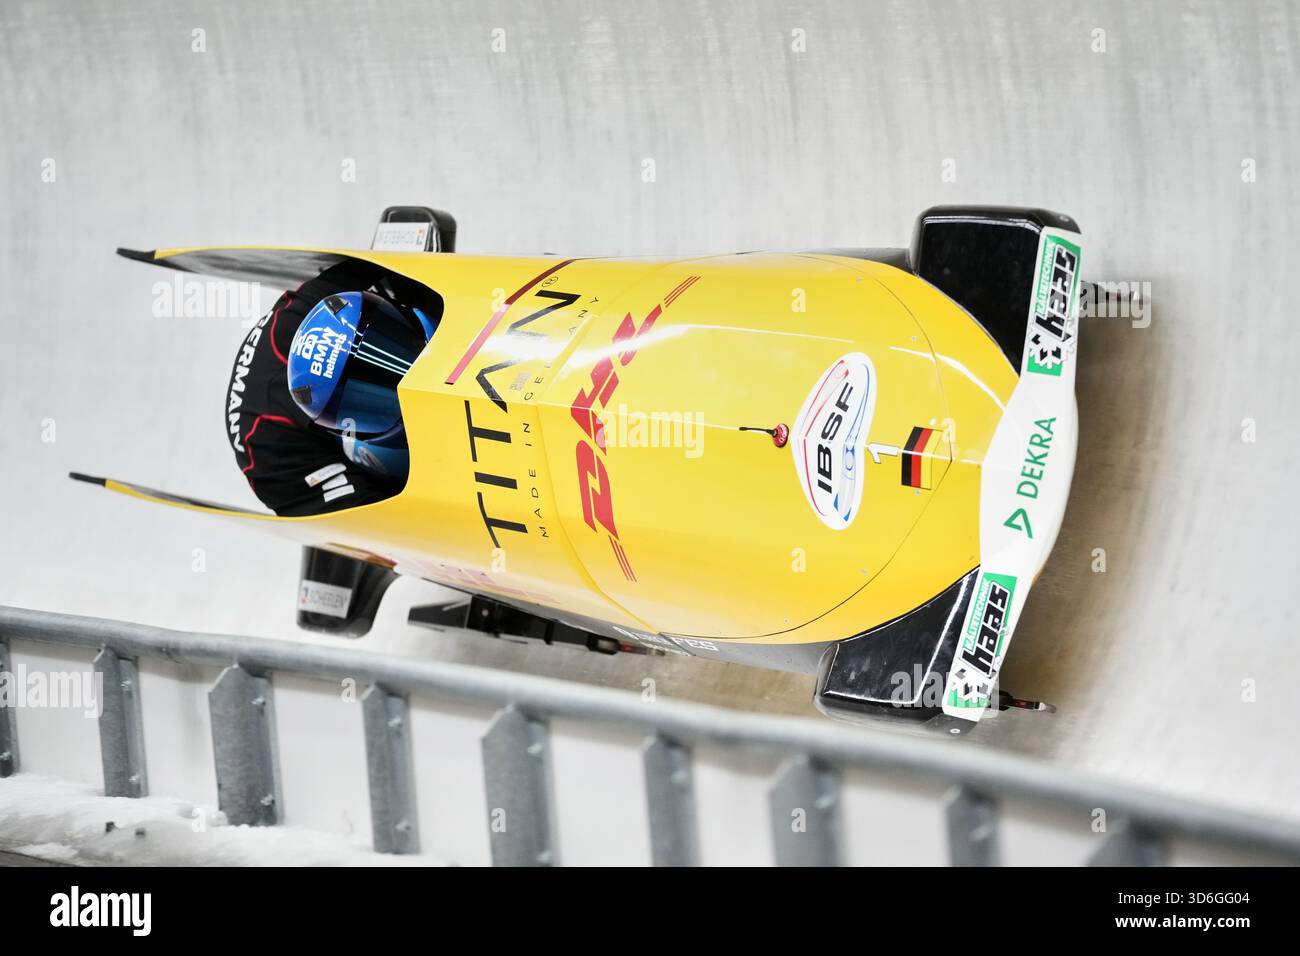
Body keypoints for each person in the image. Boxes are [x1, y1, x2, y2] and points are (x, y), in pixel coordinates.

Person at [224, 262, 440, 516]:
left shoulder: (330, 299)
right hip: (275, 457)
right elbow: (378, 528)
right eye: (366, 396)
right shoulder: (270, 454)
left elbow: (402, 266)